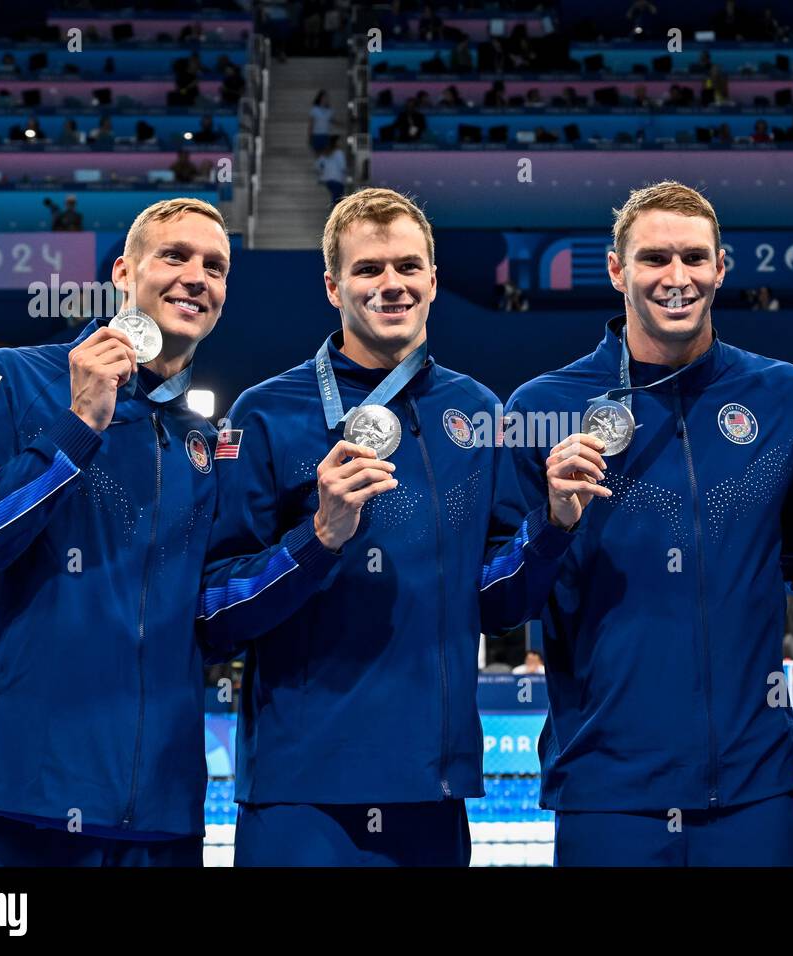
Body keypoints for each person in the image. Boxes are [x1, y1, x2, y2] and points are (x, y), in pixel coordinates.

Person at [197, 188, 563, 865]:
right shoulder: (268, 412)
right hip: (299, 788)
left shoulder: (476, 410)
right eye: (368, 270)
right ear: (334, 286)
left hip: (432, 781)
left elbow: (500, 603)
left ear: (432, 278)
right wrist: (319, 537)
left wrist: (555, 527)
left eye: (406, 267)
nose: (390, 284)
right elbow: (216, 613)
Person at [487, 181, 793, 866]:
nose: (677, 278)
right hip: (608, 794)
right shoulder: (542, 407)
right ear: (616, 270)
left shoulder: (783, 396)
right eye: (654, 259)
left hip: (754, 793)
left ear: (722, 267)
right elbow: (496, 603)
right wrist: (551, 525)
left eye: (695, 258)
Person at [0, 198, 232, 866]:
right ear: (122, 272)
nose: (197, 275)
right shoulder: (17, 378)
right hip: (23, 795)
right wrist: (77, 426)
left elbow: (211, 608)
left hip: (158, 806)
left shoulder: (203, 440)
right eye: (175, 255)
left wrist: (318, 535)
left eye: (216, 266)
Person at [316, 136, 347, 205]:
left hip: (328, 180)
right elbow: (343, 167)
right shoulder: (339, 153)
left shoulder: (325, 153)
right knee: (338, 201)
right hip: (337, 180)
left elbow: (318, 166)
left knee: (335, 199)